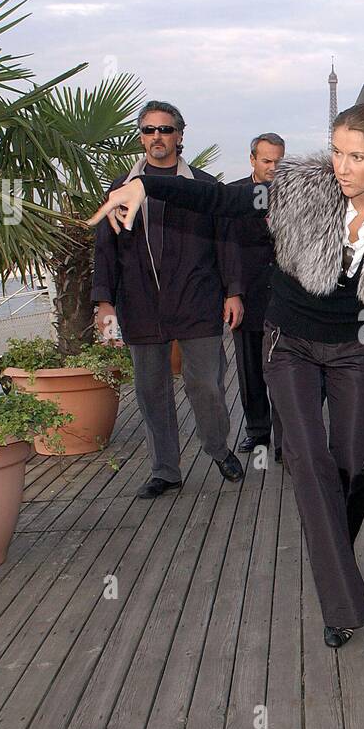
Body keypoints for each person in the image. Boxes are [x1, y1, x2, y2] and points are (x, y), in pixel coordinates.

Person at [88, 103, 364, 649]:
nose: (342, 167)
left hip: (354, 348)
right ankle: (341, 601)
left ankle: (334, 560)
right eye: (336, 152)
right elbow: (220, 199)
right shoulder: (299, 187)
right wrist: (148, 188)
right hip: (291, 344)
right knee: (306, 458)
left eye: (358, 157)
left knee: (354, 467)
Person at [91, 100, 245, 499]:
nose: (156, 137)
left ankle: (216, 446)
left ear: (180, 135)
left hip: (196, 300)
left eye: (165, 129)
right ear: (140, 137)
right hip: (141, 304)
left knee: (206, 385)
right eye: (148, 130)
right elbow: (104, 250)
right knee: (150, 389)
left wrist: (234, 292)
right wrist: (104, 302)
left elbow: (226, 242)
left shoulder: (205, 187)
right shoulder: (118, 190)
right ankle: (166, 469)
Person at [229, 132, 286, 462]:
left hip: (284, 298)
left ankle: (285, 438)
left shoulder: (294, 194)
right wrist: (231, 292)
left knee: (282, 369)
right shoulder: (235, 194)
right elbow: (227, 248)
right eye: (266, 160)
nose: (273, 167)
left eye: (279, 161)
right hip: (247, 296)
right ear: (252, 159)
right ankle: (257, 432)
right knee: (249, 369)